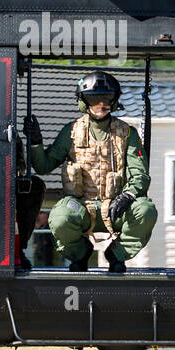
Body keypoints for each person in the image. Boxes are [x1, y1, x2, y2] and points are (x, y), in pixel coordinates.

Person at [23, 70, 156, 273]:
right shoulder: (72, 131)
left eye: (106, 99)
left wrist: (127, 196)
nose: (100, 106)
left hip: (116, 208)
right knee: (60, 216)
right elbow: (43, 166)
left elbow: (140, 174)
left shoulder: (127, 133)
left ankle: (116, 254)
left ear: (114, 101)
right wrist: (36, 143)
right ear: (84, 102)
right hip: (81, 209)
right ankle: (80, 254)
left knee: (145, 210)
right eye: (94, 100)